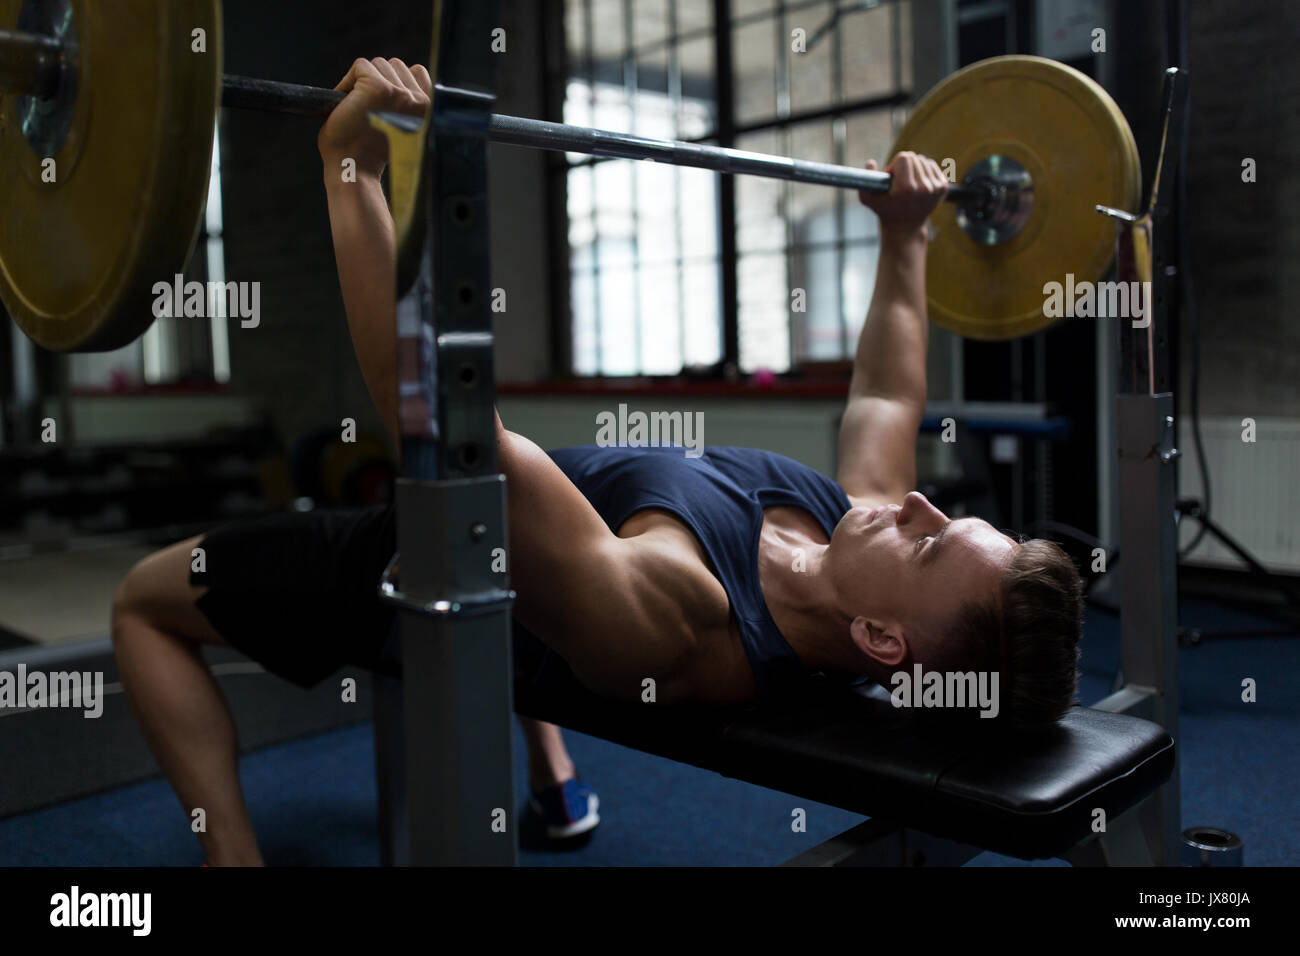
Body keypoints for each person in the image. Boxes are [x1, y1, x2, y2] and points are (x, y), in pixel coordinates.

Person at [111, 58, 1081, 867]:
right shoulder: (854, 528)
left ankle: (230, 854)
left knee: (145, 602)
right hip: (551, 558)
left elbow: (452, 435)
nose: (914, 502)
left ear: (877, 639)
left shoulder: (677, 618)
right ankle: (549, 765)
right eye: (942, 515)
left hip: (413, 558)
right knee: (551, 560)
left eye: (926, 543)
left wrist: (354, 171)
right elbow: (881, 397)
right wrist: (905, 235)